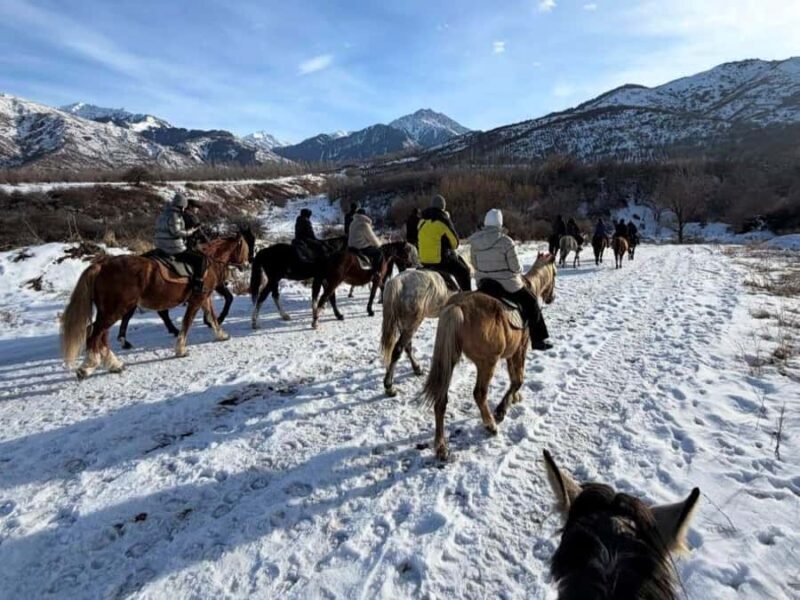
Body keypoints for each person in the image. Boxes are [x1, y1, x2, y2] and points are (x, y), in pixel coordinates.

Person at [470, 209, 552, 351]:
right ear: (500, 224)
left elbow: (475, 264)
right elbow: (515, 268)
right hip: (506, 285)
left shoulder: (475, 242)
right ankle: (538, 340)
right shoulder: (506, 242)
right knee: (531, 301)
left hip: (484, 283)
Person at [417, 194, 471, 291]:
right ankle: (467, 296)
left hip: (424, 261)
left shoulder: (422, 222)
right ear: (443, 207)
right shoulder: (443, 221)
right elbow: (455, 243)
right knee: (464, 272)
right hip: (440, 262)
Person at [154, 192, 206, 292]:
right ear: (182, 205)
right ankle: (197, 284)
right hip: (173, 248)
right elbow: (177, 232)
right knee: (200, 260)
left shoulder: (163, 214)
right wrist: (192, 231)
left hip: (159, 246)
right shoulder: (175, 216)